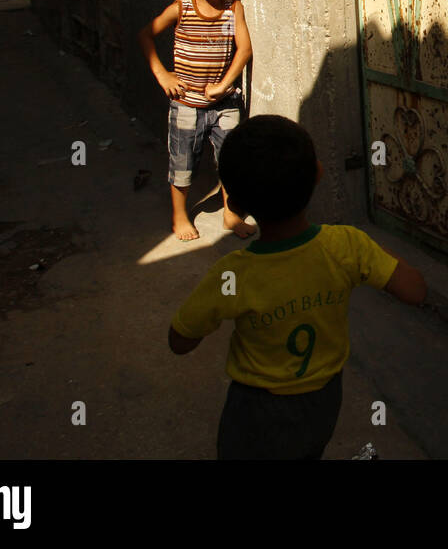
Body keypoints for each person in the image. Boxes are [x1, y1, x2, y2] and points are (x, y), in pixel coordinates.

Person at [168, 115, 427, 459]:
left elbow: (179, 340)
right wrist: (369, 251)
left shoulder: (233, 274)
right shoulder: (347, 245)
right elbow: (415, 290)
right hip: (323, 398)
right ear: (318, 174)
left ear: (236, 205)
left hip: (255, 410)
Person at [137, 0, 252, 241]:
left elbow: (244, 51)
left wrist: (224, 85)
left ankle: (231, 214)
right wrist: (163, 75)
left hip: (225, 103)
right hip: (186, 103)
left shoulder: (233, 8)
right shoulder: (181, 9)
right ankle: (179, 215)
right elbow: (146, 35)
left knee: (231, 161)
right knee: (183, 162)